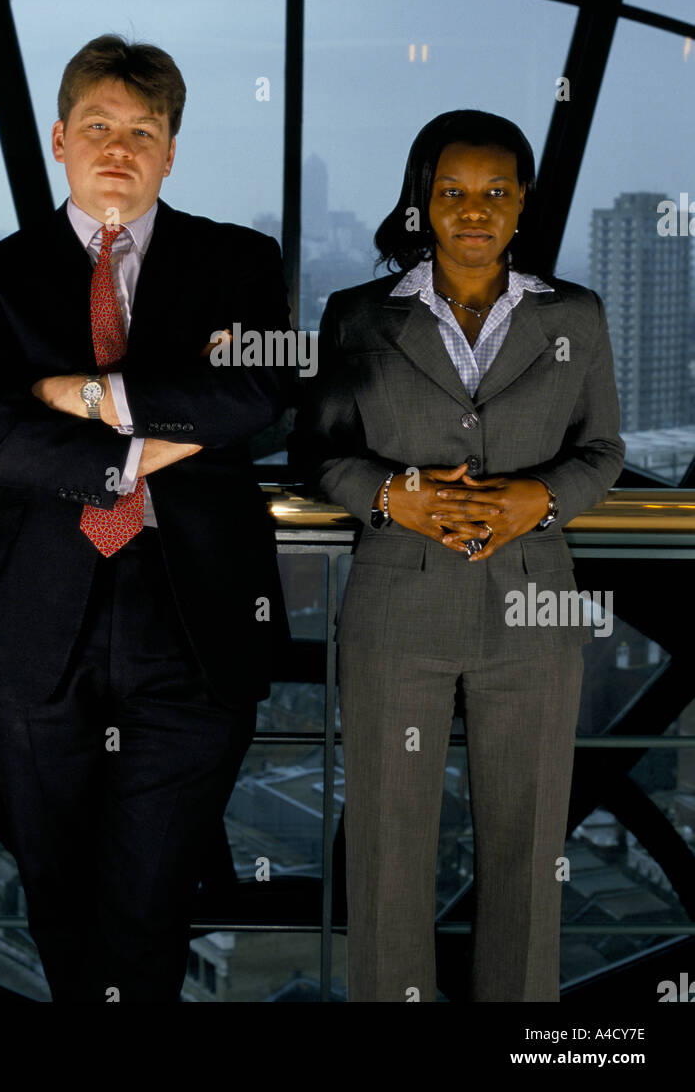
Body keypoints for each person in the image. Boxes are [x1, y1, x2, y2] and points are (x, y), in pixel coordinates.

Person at [0, 32, 292, 1002]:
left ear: (172, 148)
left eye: (144, 129)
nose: (119, 147)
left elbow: (259, 387)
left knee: (147, 907)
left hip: (195, 622)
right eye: (98, 125)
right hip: (38, 624)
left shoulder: (241, 261)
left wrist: (87, 399)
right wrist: (163, 429)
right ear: (58, 138)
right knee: (59, 899)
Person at [291, 109, 625, 1002]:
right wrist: (391, 497)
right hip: (397, 610)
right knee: (387, 857)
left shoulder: (576, 317)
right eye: (451, 192)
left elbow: (602, 452)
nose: (472, 211)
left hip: (531, 615)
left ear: (521, 205)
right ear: (421, 203)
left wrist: (539, 501)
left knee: (525, 856)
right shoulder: (357, 316)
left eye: (493, 193)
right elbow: (317, 455)